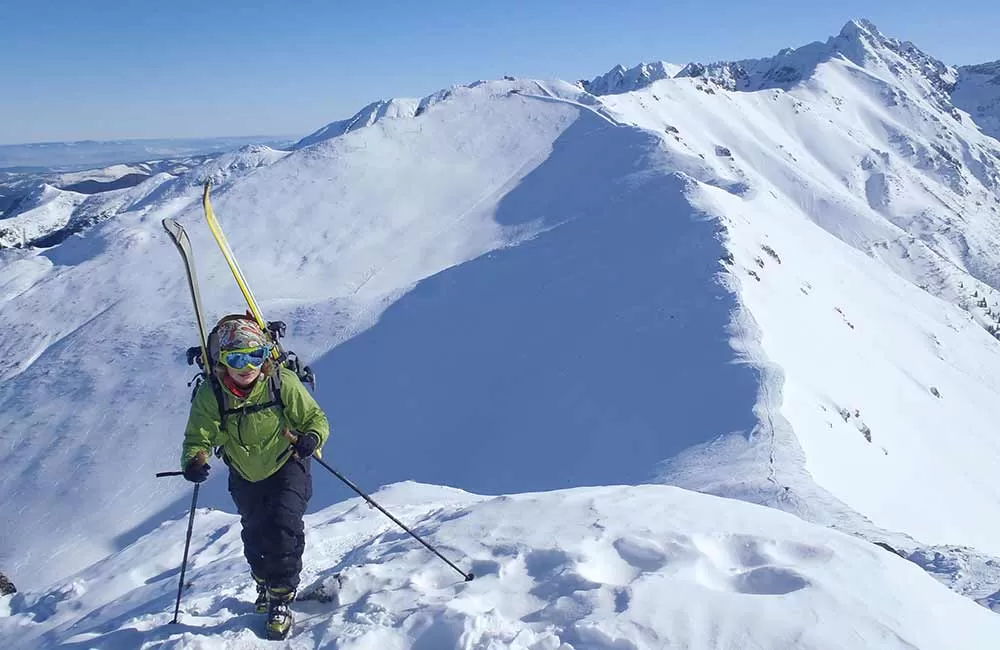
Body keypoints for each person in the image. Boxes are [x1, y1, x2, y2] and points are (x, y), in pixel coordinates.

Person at [180, 315, 329, 640]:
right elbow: (199, 436)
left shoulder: (281, 381)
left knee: (283, 524)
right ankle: (264, 582)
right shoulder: (213, 394)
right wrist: (194, 460)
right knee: (255, 530)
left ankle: (280, 598)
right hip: (245, 471)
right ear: (222, 362)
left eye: (254, 356)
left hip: (288, 461)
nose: (246, 366)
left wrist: (311, 439)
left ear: (264, 358)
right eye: (236, 358)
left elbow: (315, 418)